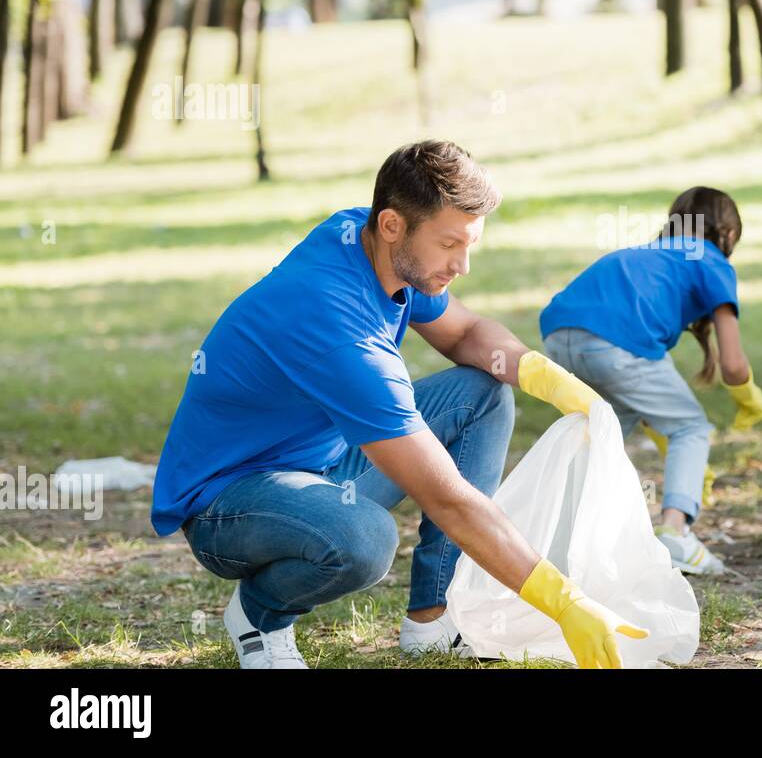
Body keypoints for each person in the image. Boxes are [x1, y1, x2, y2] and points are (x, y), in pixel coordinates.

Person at [151, 140, 648, 668]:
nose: (463, 266)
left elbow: (467, 335)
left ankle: (430, 620)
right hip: (228, 500)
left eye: (470, 244)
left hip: (319, 465)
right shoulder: (339, 331)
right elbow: (449, 500)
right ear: (392, 225)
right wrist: (563, 603)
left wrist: (546, 377)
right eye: (450, 244)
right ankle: (259, 616)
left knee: (481, 394)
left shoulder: (367, 239)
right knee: (362, 538)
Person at [538, 187, 762, 575]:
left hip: (558, 337)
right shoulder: (712, 261)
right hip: (617, 344)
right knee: (690, 427)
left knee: (601, 434)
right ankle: (675, 533)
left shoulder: (650, 253)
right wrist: (748, 397)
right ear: (727, 234)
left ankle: (563, 543)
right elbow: (732, 363)